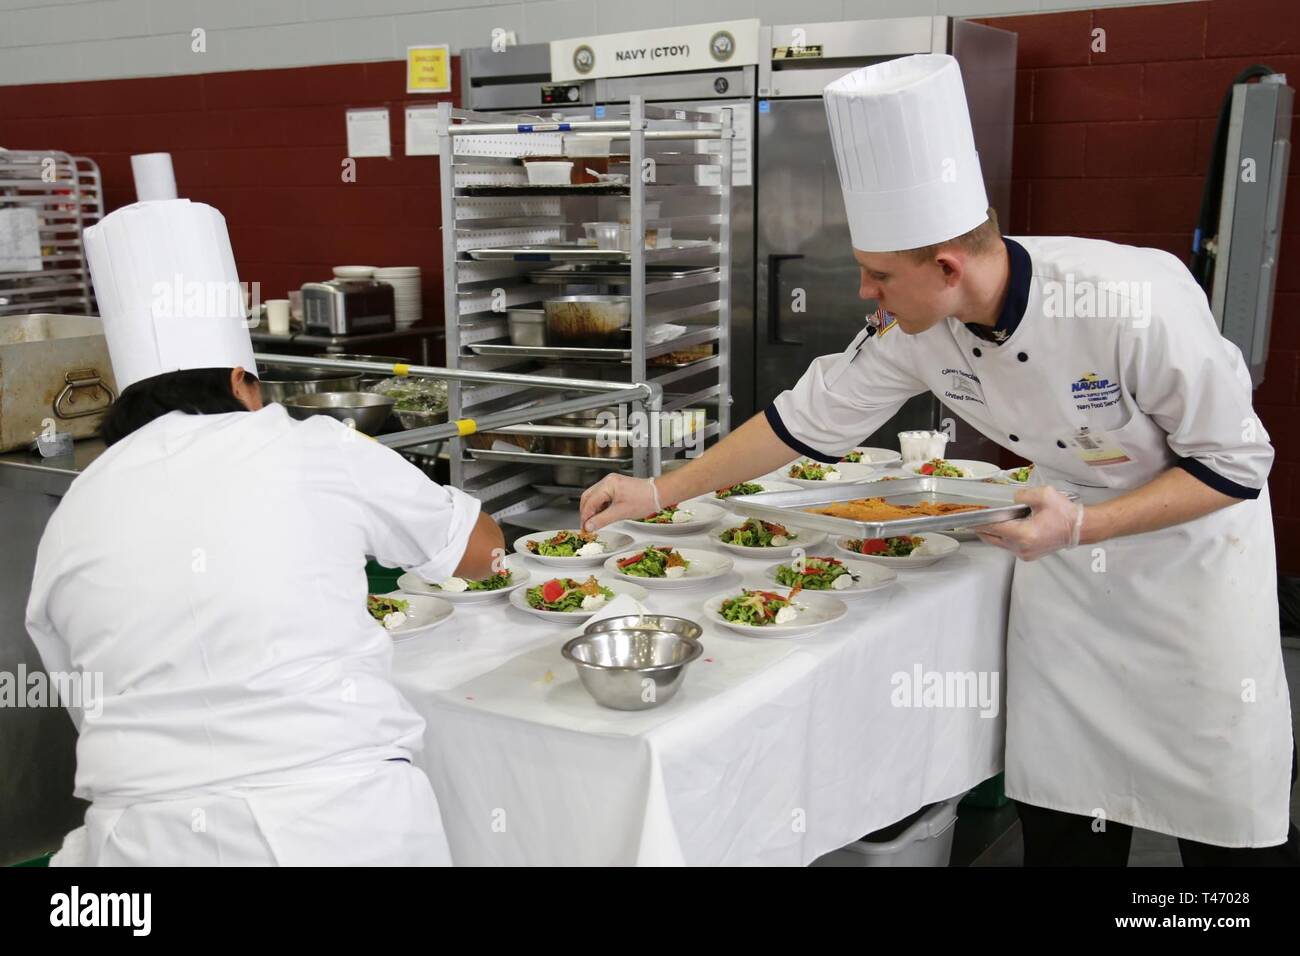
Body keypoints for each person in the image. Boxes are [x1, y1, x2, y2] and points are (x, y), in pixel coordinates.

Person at [581, 54, 1297, 865]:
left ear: (948, 268)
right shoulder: (919, 330)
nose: (866, 293)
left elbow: (1234, 466)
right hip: (1066, 584)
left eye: (880, 275)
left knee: (1224, 837)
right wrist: (659, 489)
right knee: (1066, 817)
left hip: (1188, 579)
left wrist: (1089, 523)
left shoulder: (1137, 298)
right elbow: (799, 424)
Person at [26, 199, 502, 866]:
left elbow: (87, 695)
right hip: (344, 823)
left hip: (143, 844)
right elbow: (482, 551)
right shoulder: (310, 445)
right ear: (240, 382)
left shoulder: (75, 510)